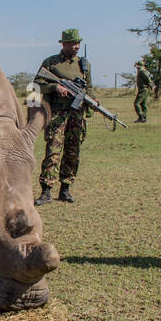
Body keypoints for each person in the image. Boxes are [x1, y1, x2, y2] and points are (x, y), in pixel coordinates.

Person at [34, 29, 91, 205]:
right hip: (57, 114)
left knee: (73, 152)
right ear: (63, 44)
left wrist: (92, 101)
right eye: (73, 43)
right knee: (53, 151)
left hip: (76, 114)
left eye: (78, 43)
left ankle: (66, 188)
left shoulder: (84, 64)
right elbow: (37, 84)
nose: (76, 46)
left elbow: (89, 88)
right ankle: (46, 191)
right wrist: (55, 88)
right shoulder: (51, 63)